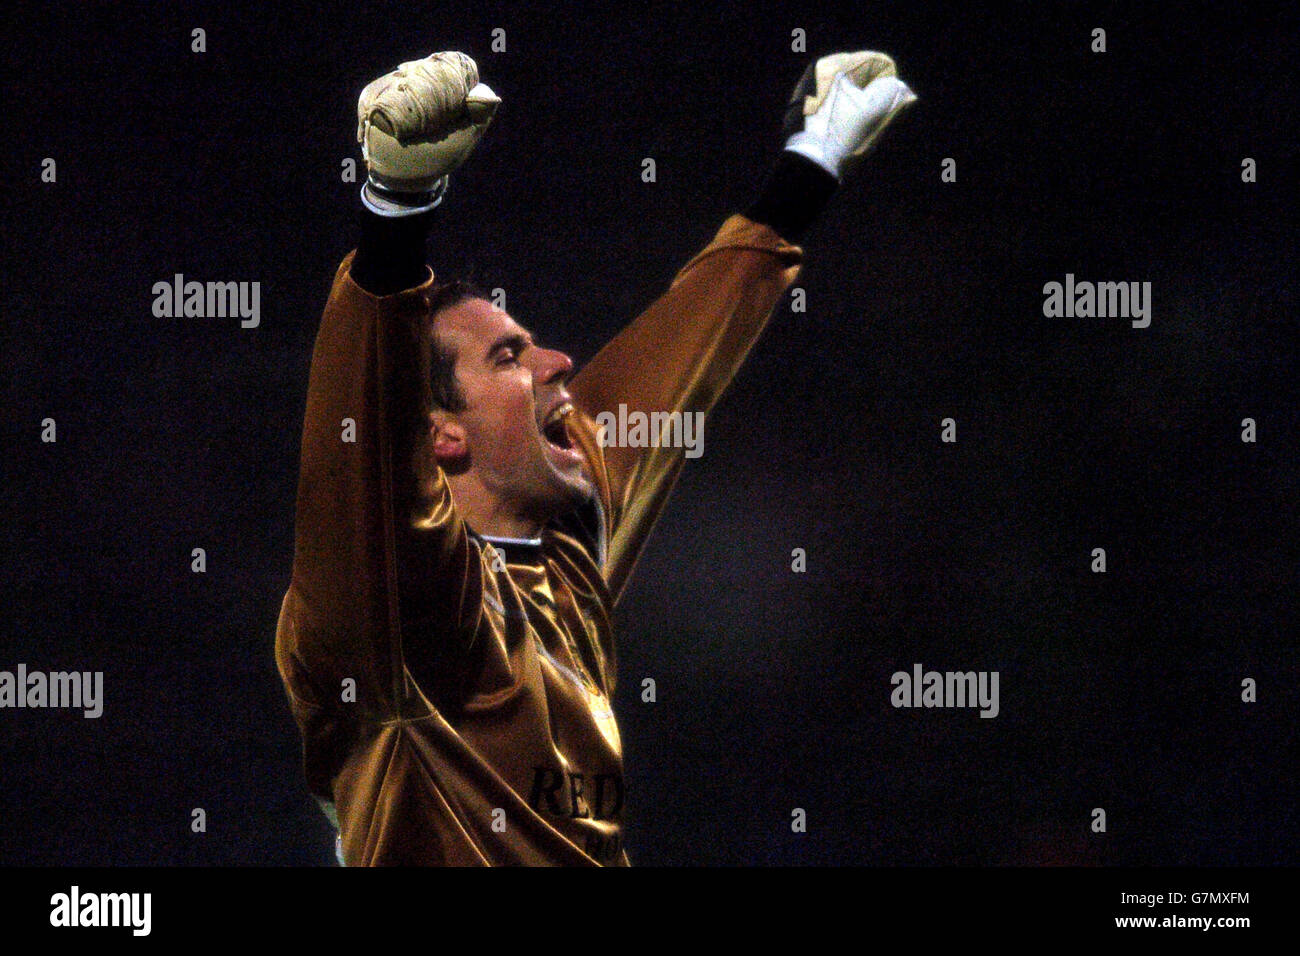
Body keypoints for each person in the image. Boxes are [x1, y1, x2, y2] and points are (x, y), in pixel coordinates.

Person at [275, 49, 915, 866]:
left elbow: (674, 366)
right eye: (508, 358)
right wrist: (396, 212)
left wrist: (809, 164)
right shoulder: (396, 614)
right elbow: (357, 451)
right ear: (439, 434)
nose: (557, 363)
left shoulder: (567, 555)